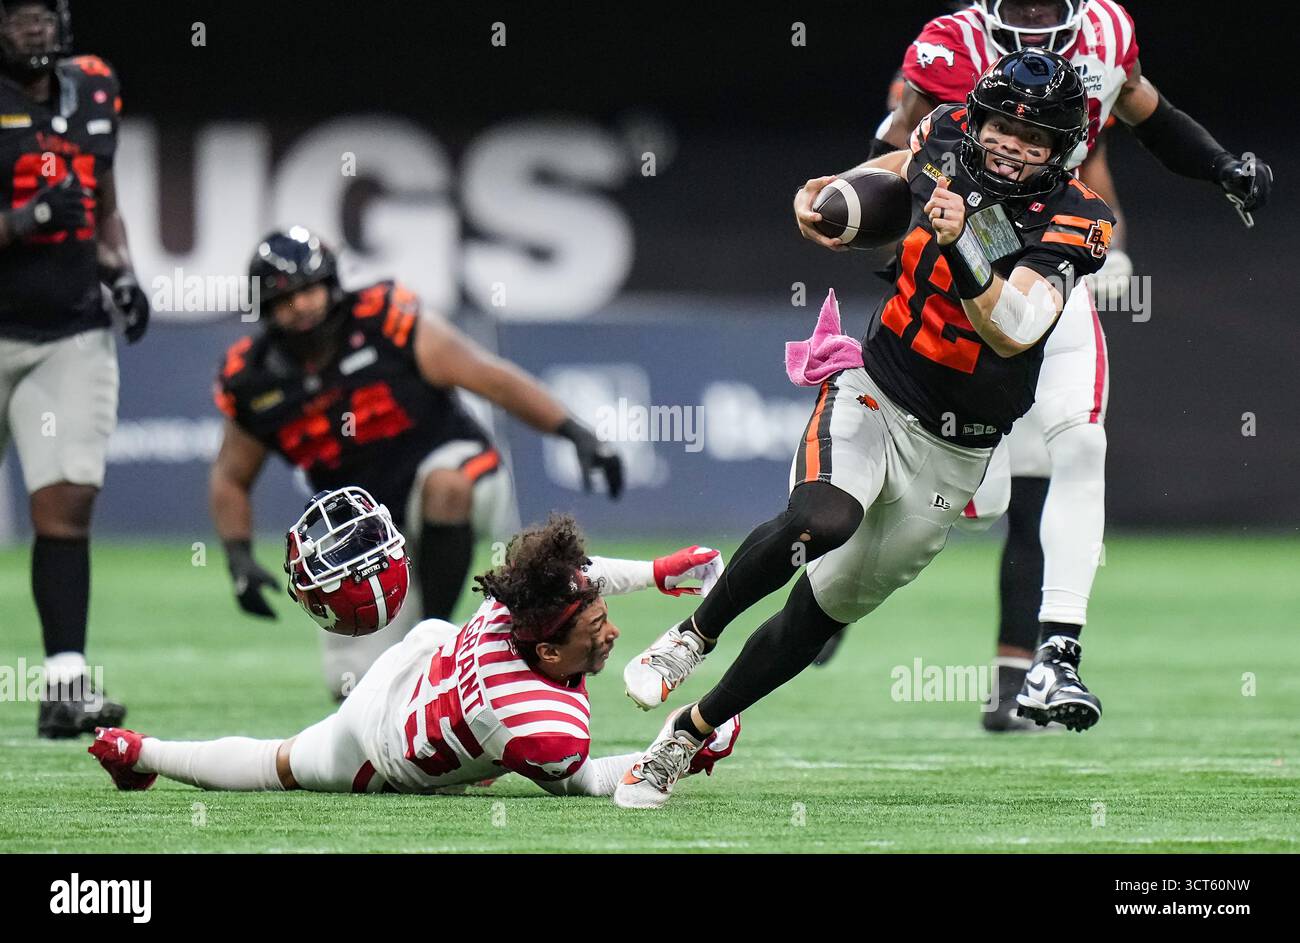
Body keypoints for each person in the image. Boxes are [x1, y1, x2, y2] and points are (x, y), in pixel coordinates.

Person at [616, 50, 1115, 810]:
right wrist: (829, 192)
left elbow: (1017, 328)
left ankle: (689, 733)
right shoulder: (946, 133)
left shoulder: (1080, 218)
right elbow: (896, 164)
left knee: (817, 617)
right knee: (820, 519)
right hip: (877, 388)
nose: (1013, 143)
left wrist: (968, 241)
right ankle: (692, 633)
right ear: (979, 119)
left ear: (1060, 150)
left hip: (959, 449)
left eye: (1034, 136)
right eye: (1004, 125)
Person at [810, 0, 1273, 735]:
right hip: (958, 270)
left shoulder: (1105, 33)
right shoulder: (951, 41)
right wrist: (876, 233)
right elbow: (896, 153)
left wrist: (1219, 166)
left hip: (1045, 269)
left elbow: (1144, 116)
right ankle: (836, 587)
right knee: (981, 501)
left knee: (1078, 445)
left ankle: (1054, 654)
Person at [90, 498, 738, 798]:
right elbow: (593, 778)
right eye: (596, 628)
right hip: (379, 744)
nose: (614, 629)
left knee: (428, 634)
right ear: (546, 655)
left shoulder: (515, 603)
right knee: (277, 765)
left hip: (428, 654)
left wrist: (657, 570)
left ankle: (137, 750)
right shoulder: (544, 726)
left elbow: (578, 571)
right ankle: (144, 753)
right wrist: (681, 747)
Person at [211, 227, 623, 698]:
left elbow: (489, 378)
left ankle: (436, 637)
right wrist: (238, 557)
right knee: (355, 689)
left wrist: (573, 430)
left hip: (458, 470)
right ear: (265, 309)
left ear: (331, 284)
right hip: (368, 526)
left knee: (446, 487)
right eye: (286, 298)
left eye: (309, 290)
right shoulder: (252, 377)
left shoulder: (385, 319)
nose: (302, 305)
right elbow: (231, 475)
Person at [0, 0, 150, 737]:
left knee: (66, 503)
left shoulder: (94, 85)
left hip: (67, 330)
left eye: (42, 10)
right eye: (15, 12)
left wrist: (119, 269)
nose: (32, 26)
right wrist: (23, 221)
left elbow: (104, 197)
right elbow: (47, 210)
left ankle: (63, 683)